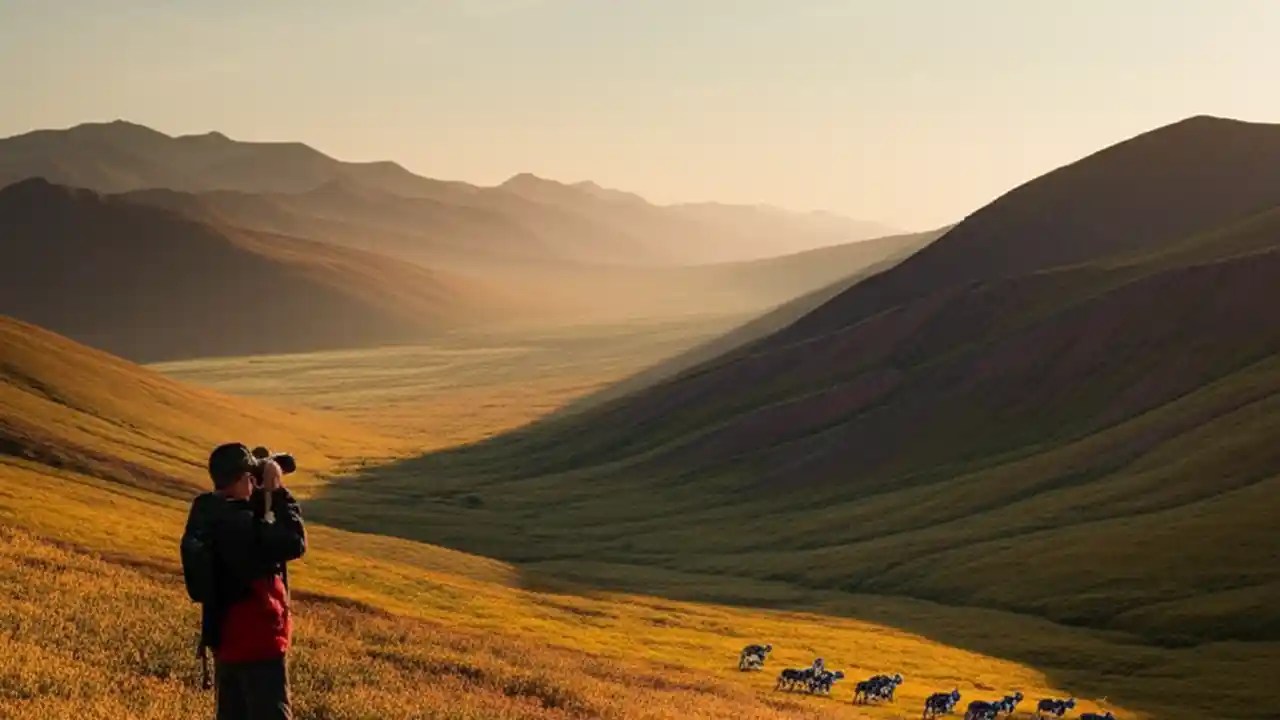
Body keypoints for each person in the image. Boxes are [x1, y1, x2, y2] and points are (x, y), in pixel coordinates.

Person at [203, 442, 307, 720]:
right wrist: (278, 492)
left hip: (225, 640)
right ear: (239, 481)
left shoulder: (208, 514)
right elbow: (295, 543)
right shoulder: (246, 528)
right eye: (249, 478)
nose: (253, 482)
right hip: (259, 642)